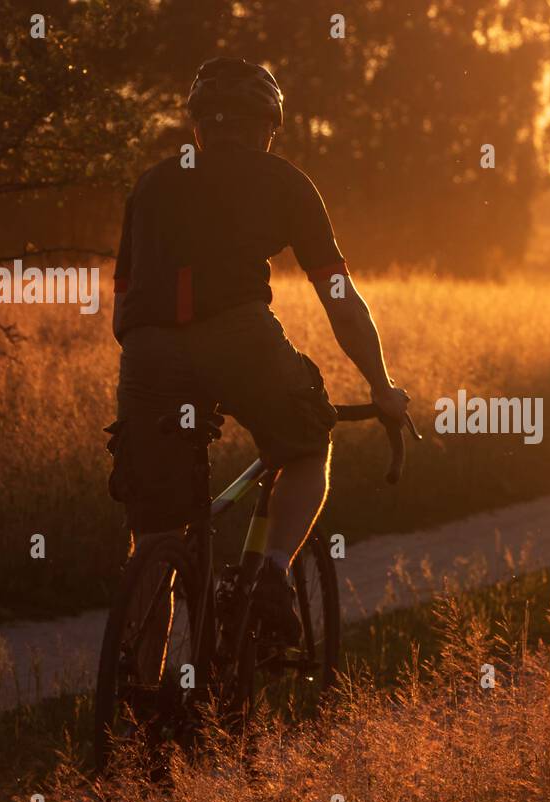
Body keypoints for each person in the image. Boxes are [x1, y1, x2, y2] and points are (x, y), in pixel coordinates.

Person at [108, 56, 409, 644]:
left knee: (156, 534)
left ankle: (140, 707)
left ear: (197, 126)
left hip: (145, 351)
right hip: (239, 336)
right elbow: (339, 297)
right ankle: (271, 576)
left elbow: (122, 303)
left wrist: (166, 353)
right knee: (306, 440)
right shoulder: (285, 181)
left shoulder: (152, 184)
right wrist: (380, 385)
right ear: (268, 124)